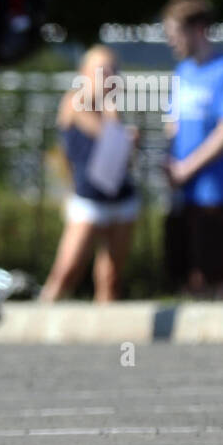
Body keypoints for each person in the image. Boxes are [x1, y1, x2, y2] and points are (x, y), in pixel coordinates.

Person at [39, 46, 140, 302]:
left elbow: (124, 160)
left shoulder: (112, 108)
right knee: (66, 271)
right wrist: (123, 133)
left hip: (119, 197)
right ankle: (40, 317)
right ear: (84, 73)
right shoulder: (75, 101)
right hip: (87, 198)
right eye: (101, 71)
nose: (108, 77)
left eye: (112, 71)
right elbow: (108, 138)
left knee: (111, 277)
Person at [161, 0, 223, 298]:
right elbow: (174, 123)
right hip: (184, 191)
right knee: (186, 273)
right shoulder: (182, 72)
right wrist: (169, 163)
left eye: (176, 34)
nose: (172, 42)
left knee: (216, 271)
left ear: (198, 30)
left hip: (214, 192)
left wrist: (188, 167)